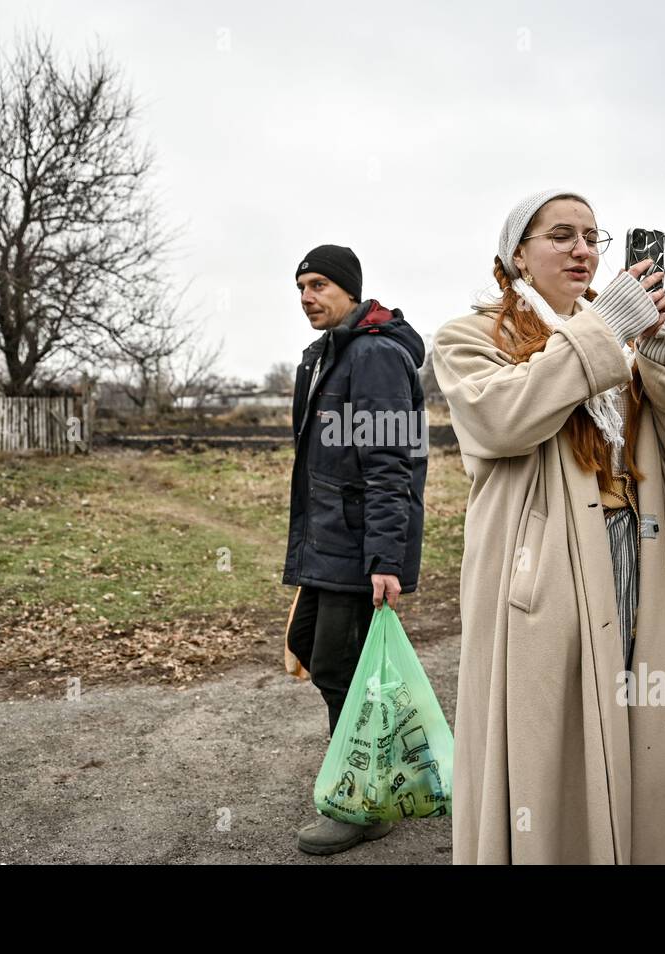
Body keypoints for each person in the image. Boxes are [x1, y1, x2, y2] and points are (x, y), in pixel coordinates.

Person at [432, 189, 665, 864]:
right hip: (544, 568)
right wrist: (604, 327)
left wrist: (661, 353)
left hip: (645, 556)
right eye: (561, 235)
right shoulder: (470, 337)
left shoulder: (620, 339)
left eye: (593, 237)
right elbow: (501, 420)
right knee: (553, 735)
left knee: (644, 725)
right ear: (517, 255)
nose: (583, 250)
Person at [281, 243, 428, 856]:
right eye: (301, 288)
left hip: (359, 547)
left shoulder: (372, 356)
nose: (308, 298)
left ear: (349, 288)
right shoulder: (329, 356)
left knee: (343, 668)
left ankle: (363, 803)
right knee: (312, 649)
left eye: (318, 285)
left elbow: (391, 464)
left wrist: (386, 559)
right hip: (329, 543)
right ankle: (376, 778)